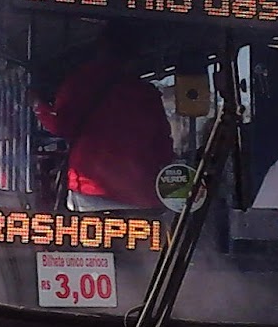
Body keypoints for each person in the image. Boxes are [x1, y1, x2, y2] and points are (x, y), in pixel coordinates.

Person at [32, 21, 173, 209]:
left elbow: (61, 124)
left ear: (101, 47)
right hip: (141, 194)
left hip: (93, 191)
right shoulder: (147, 94)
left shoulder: (84, 81)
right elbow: (163, 148)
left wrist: (37, 105)